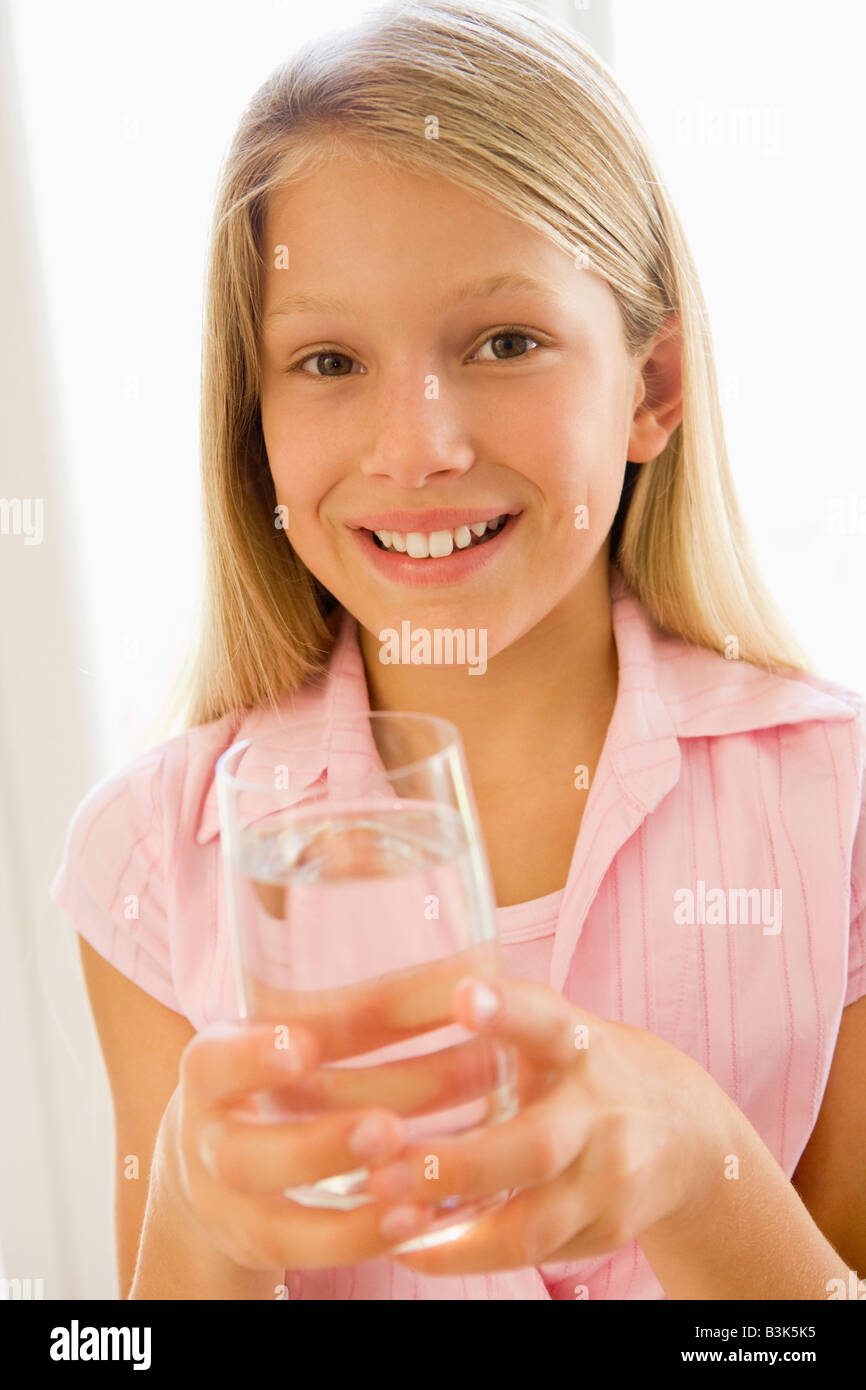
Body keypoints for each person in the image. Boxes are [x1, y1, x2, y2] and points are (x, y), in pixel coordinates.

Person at [49, 0, 865, 1299]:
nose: (415, 445)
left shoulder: (837, 811)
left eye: (502, 342)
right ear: (252, 421)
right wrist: (203, 1220)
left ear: (651, 388)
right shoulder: (154, 862)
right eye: (327, 359)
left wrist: (699, 1155)